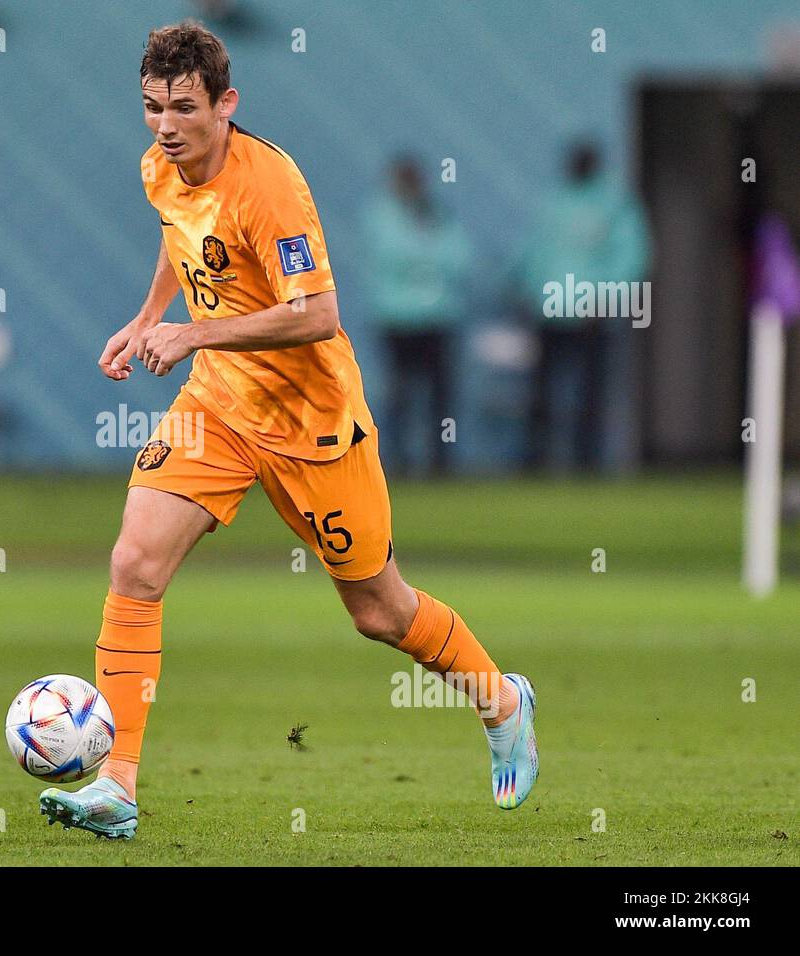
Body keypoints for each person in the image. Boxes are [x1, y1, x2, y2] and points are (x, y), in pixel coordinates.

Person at [38, 21, 537, 840]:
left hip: (313, 425)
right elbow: (185, 238)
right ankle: (116, 786)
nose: (166, 125)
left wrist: (192, 333)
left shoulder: (269, 187)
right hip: (219, 408)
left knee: (379, 611)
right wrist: (146, 317)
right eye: (152, 107)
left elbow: (318, 314)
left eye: (185, 108)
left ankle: (504, 702)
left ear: (226, 104)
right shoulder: (159, 167)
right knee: (134, 561)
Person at [515, 140, 650, 472]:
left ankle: (587, 463)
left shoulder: (615, 203)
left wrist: (606, 299)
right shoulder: (555, 200)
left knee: (591, 392)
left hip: (591, 314)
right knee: (542, 392)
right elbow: (536, 252)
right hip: (549, 311)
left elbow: (630, 256)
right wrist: (529, 291)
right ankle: (537, 461)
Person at [362, 155, 472, 476]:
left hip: (437, 319)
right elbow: (391, 254)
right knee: (400, 395)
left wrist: (425, 247)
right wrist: (425, 249)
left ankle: (441, 461)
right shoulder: (381, 214)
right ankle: (398, 460)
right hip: (397, 319)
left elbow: (459, 259)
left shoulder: (438, 213)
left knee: (441, 396)